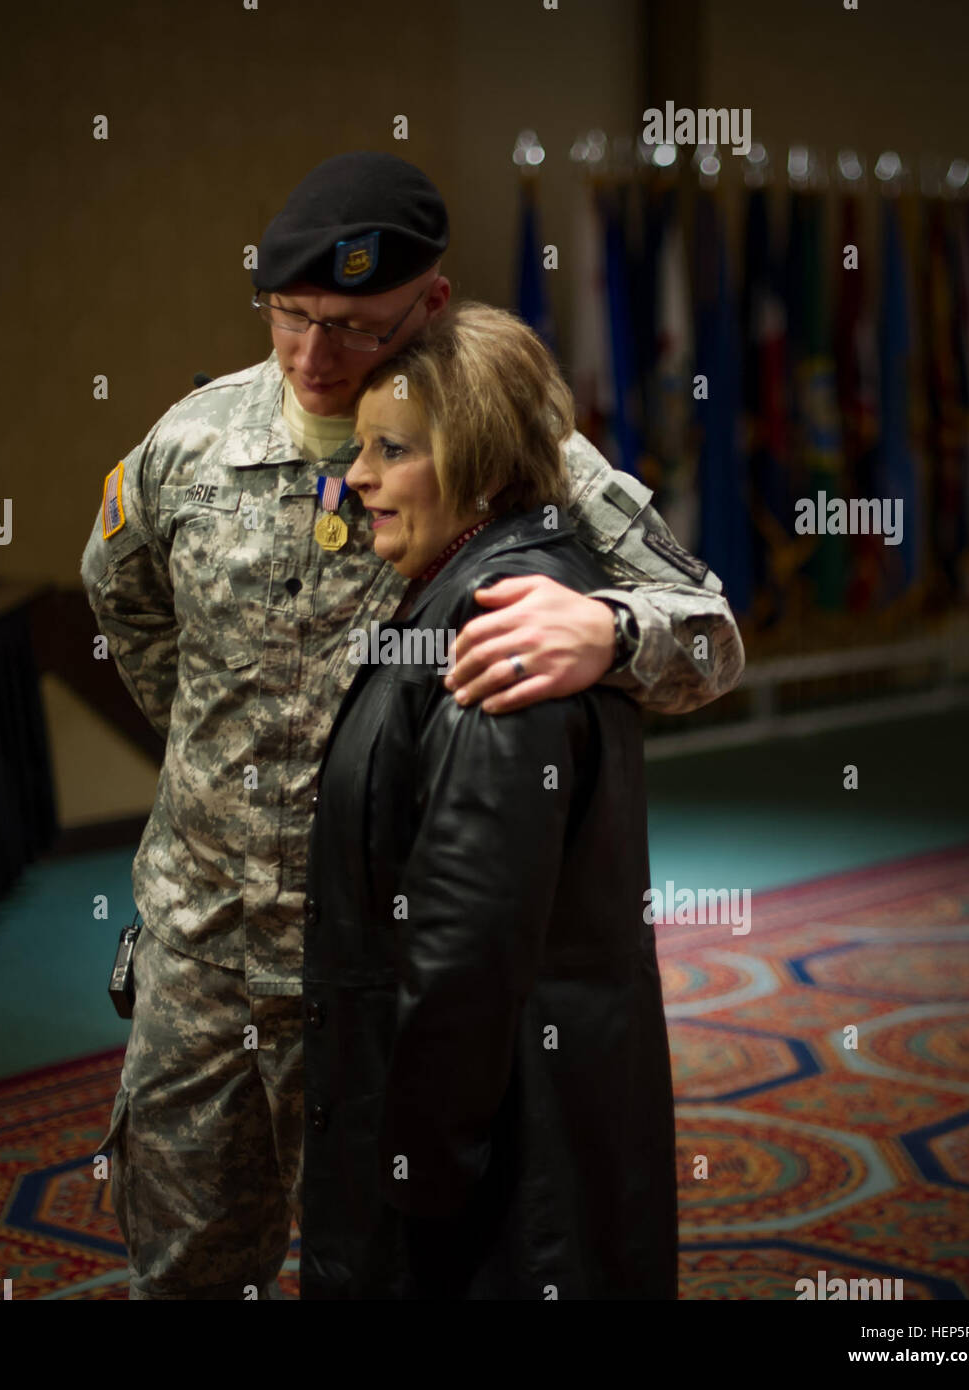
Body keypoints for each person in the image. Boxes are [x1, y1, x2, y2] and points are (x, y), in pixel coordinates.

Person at [81, 150, 741, 1300]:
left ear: (432, 303)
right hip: (203, 953)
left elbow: (711, 631)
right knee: (183, 1270)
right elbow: (121, 598)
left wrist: (609, 628)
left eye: (354, 325)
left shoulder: (501, 439)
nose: (314, 358)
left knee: (381, 1266)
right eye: (290, 318)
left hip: (376, 972)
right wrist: (213, 756)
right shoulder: (194, 439)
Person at [300, 302, 676, 1299]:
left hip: (500, 1186)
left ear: (470, 459)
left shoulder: (502, 622)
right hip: (509, 1137)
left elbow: (469, 942)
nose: (359, 479)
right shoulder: (475, 587)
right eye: (358, 448)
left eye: (392, 451)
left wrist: (413, 1177)